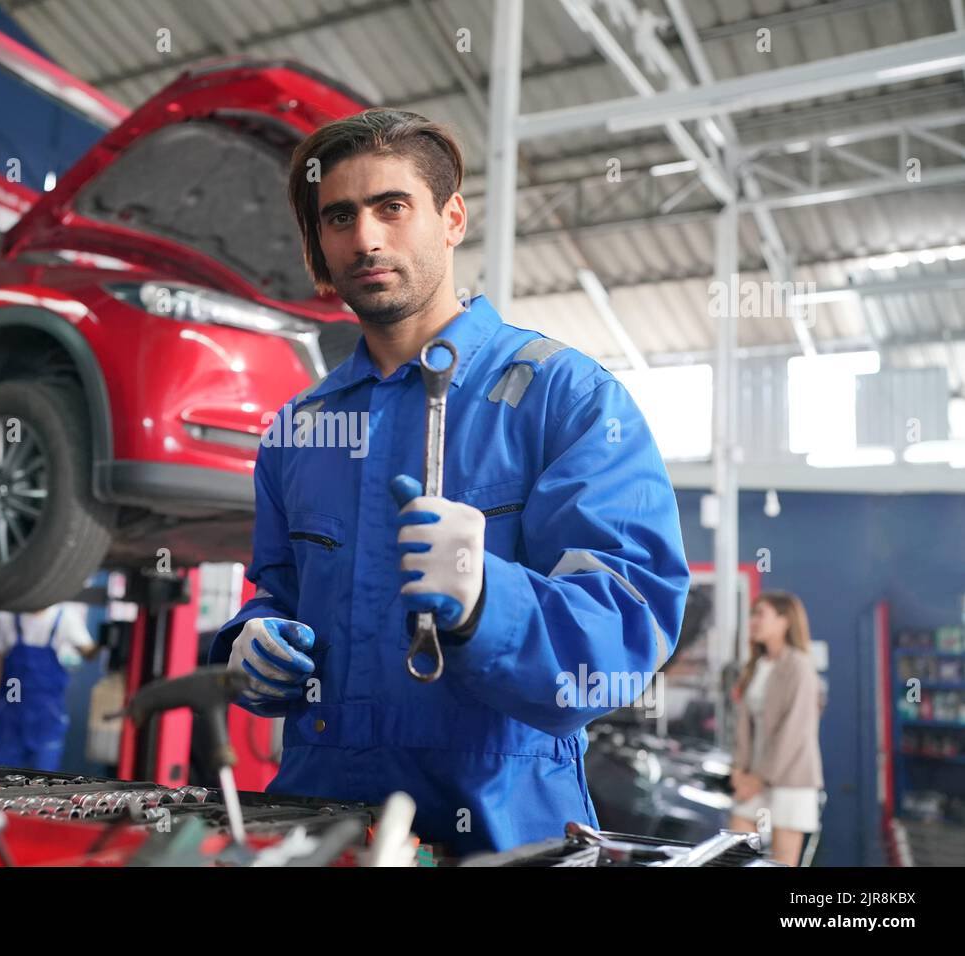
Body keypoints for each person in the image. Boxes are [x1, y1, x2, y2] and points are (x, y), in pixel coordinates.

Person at [207, 108, 690, 855]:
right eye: (339, 217)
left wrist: (486, 601)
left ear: (452, 218)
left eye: (391, 207)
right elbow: (276, 591)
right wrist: (251, 642)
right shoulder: (298, 430)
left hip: (508, 833)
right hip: (317, 823)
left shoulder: (567, 399)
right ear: (320, 246)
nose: (365, 237)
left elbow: (630, 627)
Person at [729, 591, 825, 866]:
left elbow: (794, 731)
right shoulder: (757, 666)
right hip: (753, 779)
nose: (753, 621)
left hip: (790, 780)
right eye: (752, 614)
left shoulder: (799, 666)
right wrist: (739, 770)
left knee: (782, 862)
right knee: (736, 854)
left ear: (784, 621)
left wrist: (757, 779)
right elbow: (745, 728)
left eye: (761, 614)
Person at [0, 602, 99, 771]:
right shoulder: (4, 617)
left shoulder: (66, 618)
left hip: (47, 717)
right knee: (2, 775)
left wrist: (105, 642)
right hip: (11, 710)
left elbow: (89, 653)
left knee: (43, 778)